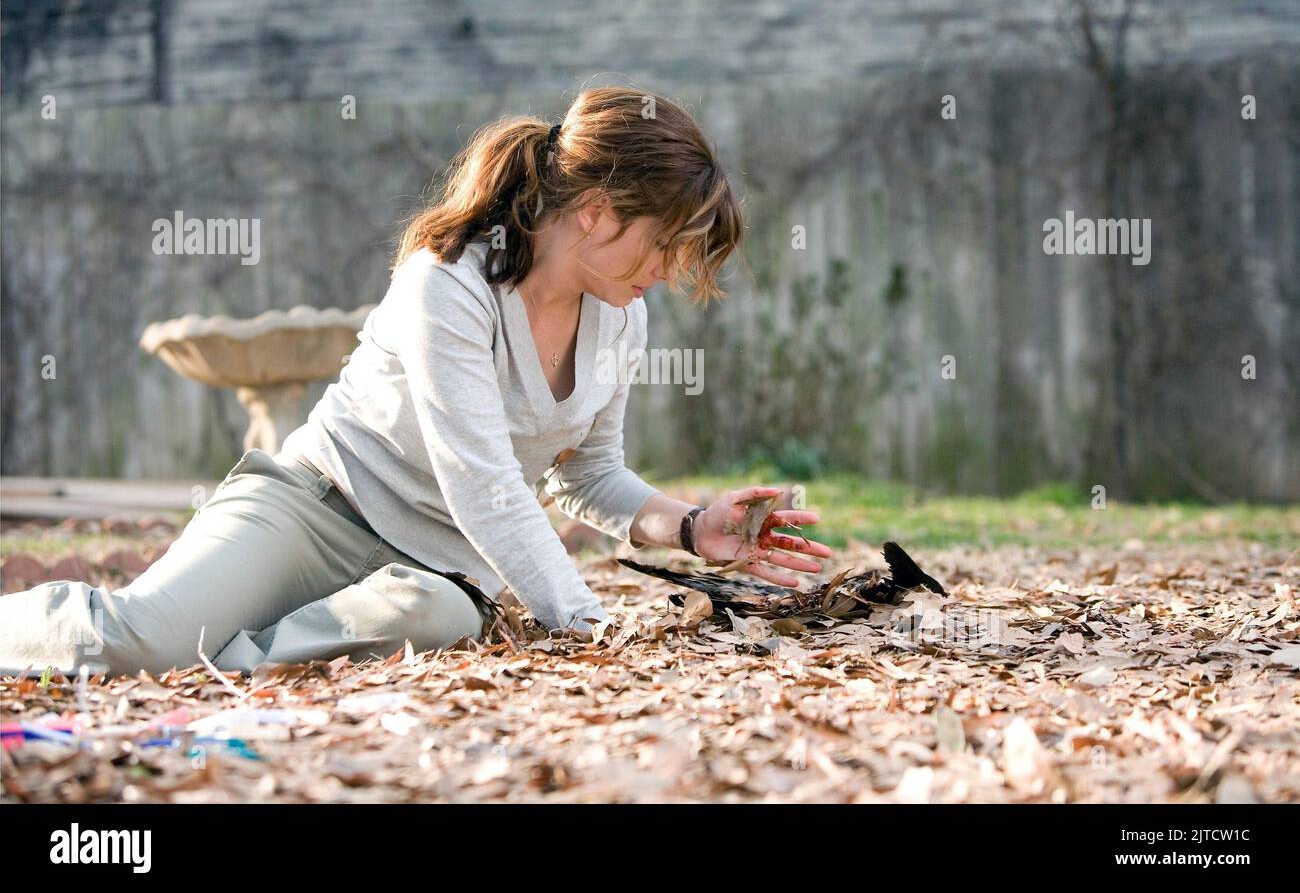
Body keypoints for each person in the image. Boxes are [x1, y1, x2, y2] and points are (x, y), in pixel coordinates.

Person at [0, 85, 833, 678]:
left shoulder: (623, 315)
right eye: (664, 242)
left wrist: (690, 526)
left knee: (431, 616)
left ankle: (220, 657)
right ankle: (173, 640)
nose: (670, 270)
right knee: (139, 641)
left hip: (432, 570)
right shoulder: (450, 284)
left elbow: (589, 475)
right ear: (598, 210)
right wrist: (590, 624)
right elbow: (485, 484)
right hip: (310, 509)